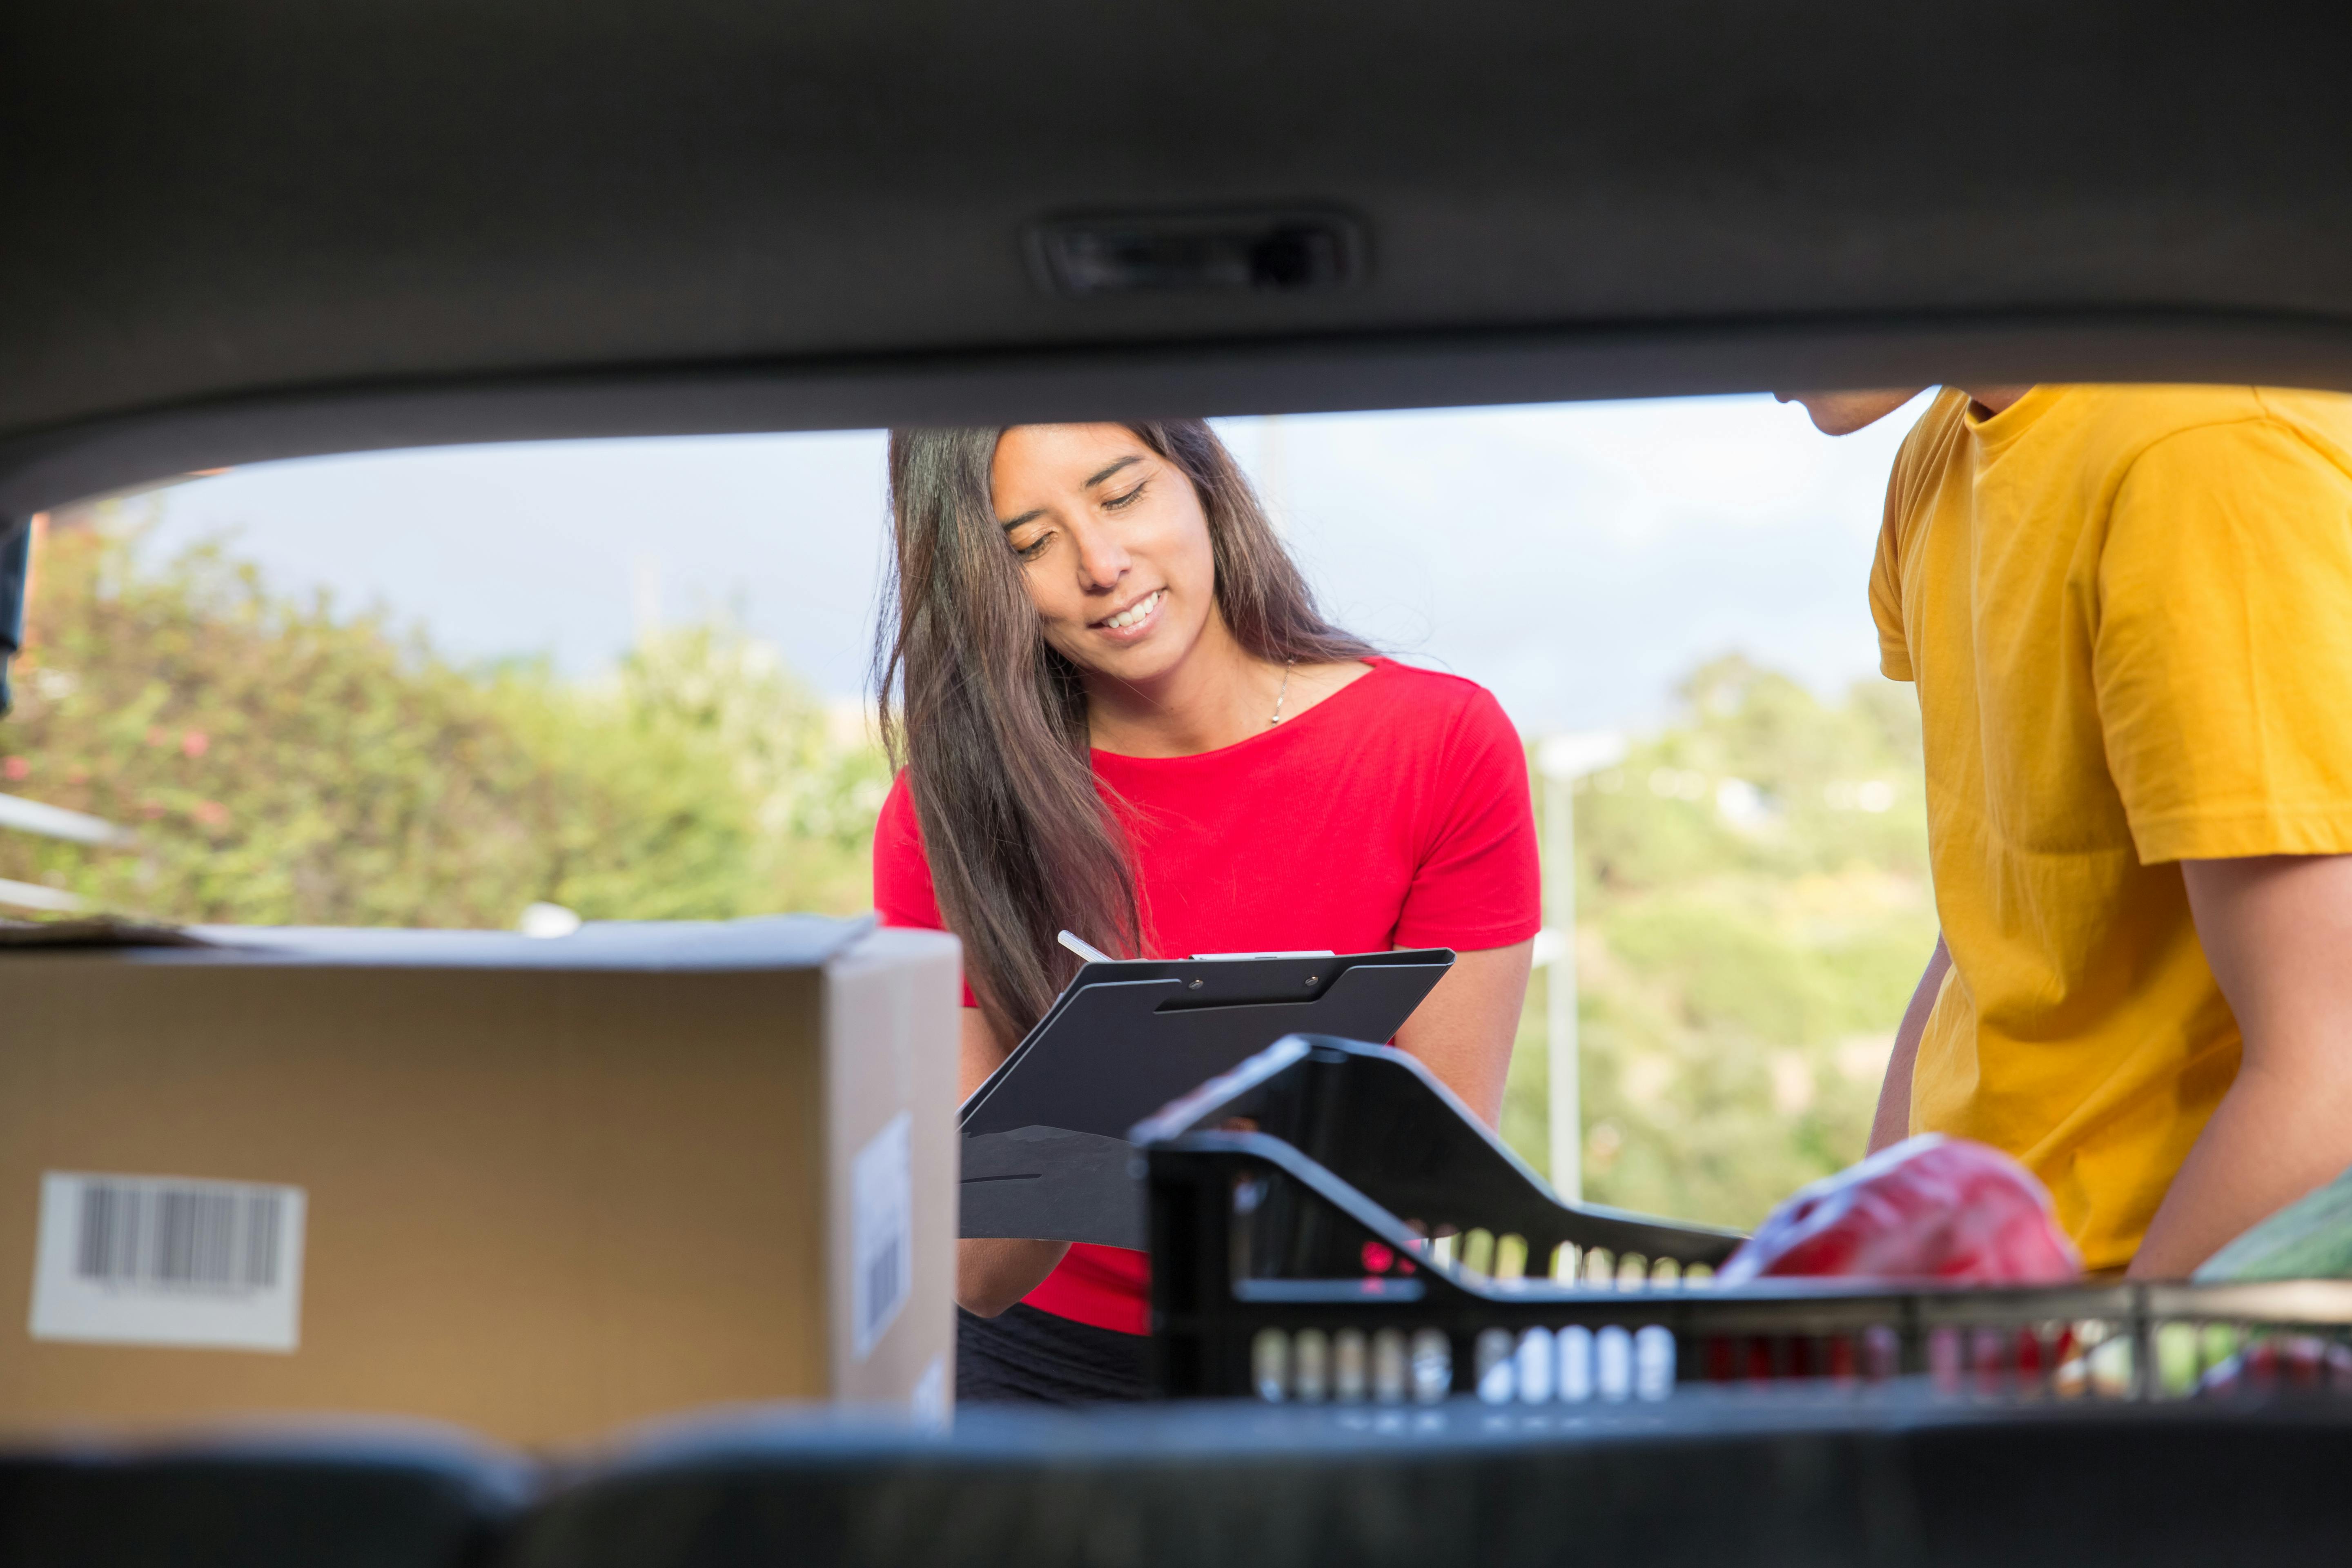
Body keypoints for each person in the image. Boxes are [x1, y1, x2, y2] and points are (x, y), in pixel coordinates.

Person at [871, 420, 1540, 1401]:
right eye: (1030, 544)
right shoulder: (949, 814)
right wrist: (1117, 1064)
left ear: (1199, 479)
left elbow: (1430, 1190)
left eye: (1121, 494)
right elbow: (979, 1270)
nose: (1101, 564)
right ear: (981, 583)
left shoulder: (1438, 745)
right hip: (1041, 1377)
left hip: (1327, 1354)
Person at [1780, 383, 2352, 1278]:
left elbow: (2335, 1066)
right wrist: (1861, 1290)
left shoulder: (2207, 460)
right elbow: (1982, 931)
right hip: (1991, 1317)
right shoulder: (1938, 455)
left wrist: (2101, 1388)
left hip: (2152, 1330)